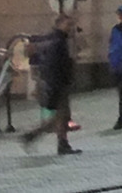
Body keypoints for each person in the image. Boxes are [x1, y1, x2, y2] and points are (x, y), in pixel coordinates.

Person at [21, 14, 80, 154]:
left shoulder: (58, 39)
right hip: (58, 82)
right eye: (68, 24)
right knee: (62, 115)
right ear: (59, 24)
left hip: (57, 81)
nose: (70, 28)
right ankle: (38, 136)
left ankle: (57, 142)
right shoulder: (57, 40)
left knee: (62, 115)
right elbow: (55, 64)